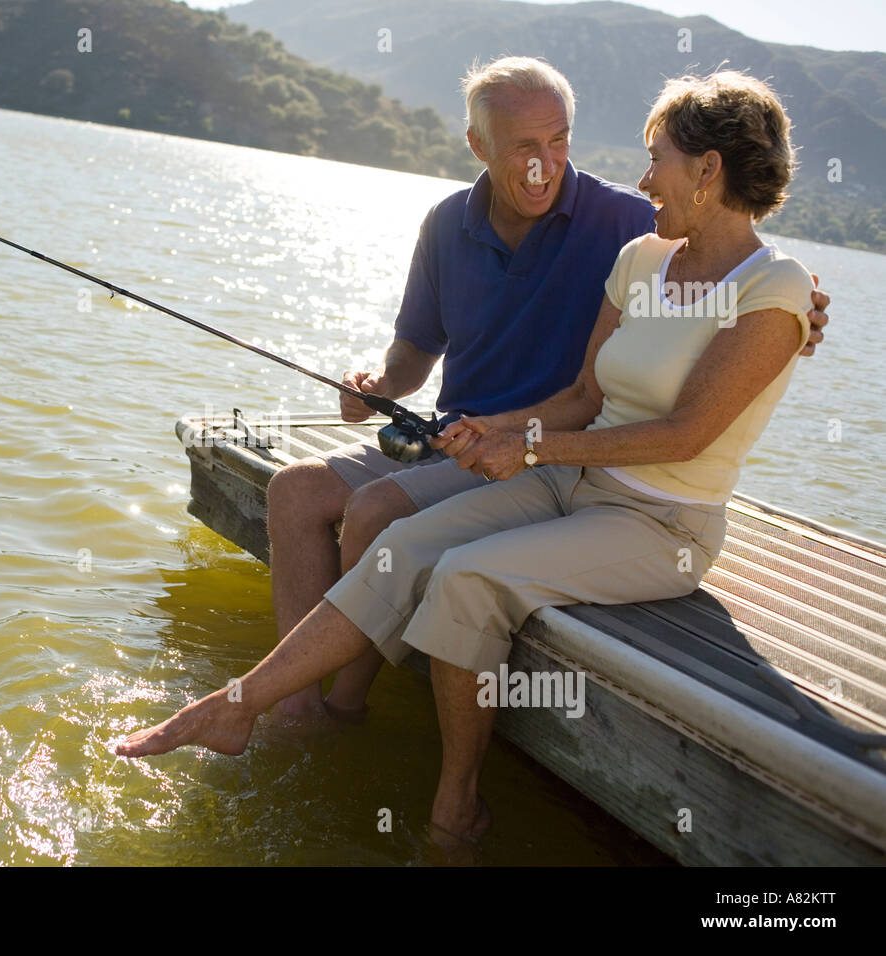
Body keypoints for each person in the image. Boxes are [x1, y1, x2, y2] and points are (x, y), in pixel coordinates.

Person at [118, 69, 819, 845]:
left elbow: (687, 434)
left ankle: (455, 811)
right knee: (402, 546)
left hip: (662, 523)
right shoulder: (644, 258)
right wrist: (503, 433)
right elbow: (586, 391)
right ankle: (242, 705)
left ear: (708, 169)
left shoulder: (774, 286)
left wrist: (530, 447)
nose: (644, 177)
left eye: (657, 158)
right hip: (567, 479)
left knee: (464, 575)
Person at [265, 57, 830, 720]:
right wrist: (379, 384)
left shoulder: (628, 222)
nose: (543, 164)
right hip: (459, 436)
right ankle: (294, 709)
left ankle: (346, 705)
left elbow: (726, 249)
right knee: (293, 489)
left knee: (375, 512)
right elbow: (416, 349)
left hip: (543, 457)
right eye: (523, 147)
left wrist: (801, 309)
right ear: (479, 145)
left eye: (558, 141)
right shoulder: (445, 224)